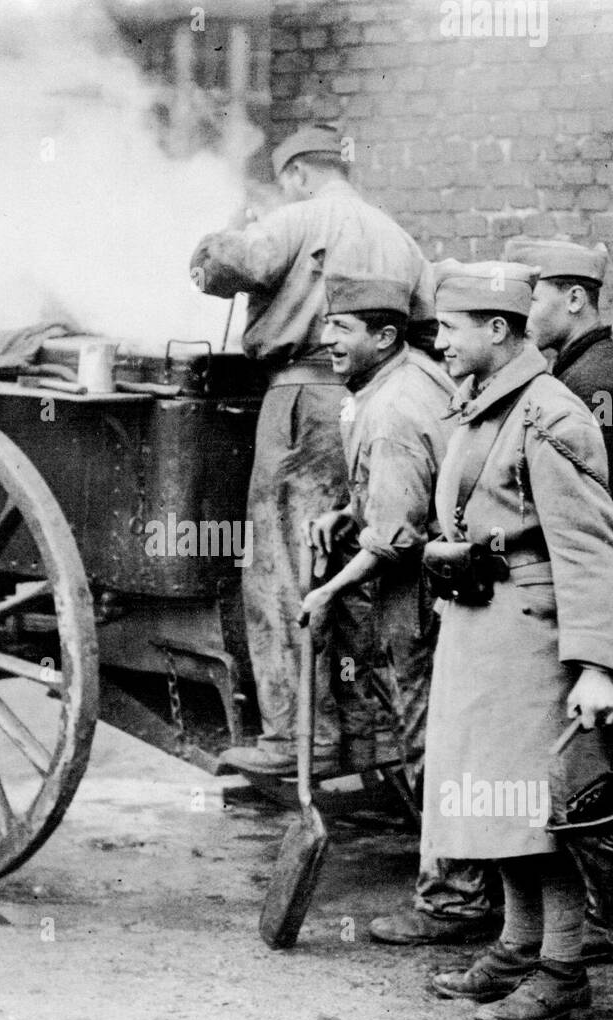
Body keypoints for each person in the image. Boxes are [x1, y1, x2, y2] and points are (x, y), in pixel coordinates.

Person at [419, 259, 613, 1020]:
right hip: (485, 633)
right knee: (497, 805)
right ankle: (515, 948)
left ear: (499, 330)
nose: (438, 341)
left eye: (452, 327)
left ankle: (563, 969)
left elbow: (592, 551)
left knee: (549, 817)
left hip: (537, 642)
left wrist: (594, 666)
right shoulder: (484, 406)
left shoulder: (551, 415)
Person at [190, 123, 436, 779]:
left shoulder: (297, 218)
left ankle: (293, 737)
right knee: (356, 562)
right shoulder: (400, 237)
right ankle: (368, 733)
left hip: (301, 398)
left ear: (298, 172)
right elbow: (431, 322)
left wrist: (218, 241)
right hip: (376, 400)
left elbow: (226, 266)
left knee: (280, 564)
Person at [296, 273, 455, 809]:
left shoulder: (390, 411)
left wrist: (328, 590)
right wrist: (349, 513)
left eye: (342, 328)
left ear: (384, 337)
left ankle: (450, 872)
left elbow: (397, 541)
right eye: (326, 325)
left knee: (426, 730)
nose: (328, 340)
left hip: (420, 592)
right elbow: (406, 489)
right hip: (449, 577)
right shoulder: (413, 373)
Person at [504, 237, 613, 637]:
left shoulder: (590, 381)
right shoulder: (602, 367)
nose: (520, 315)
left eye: (531, 301)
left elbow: (592, 508)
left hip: (607, 599)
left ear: (575, 299)